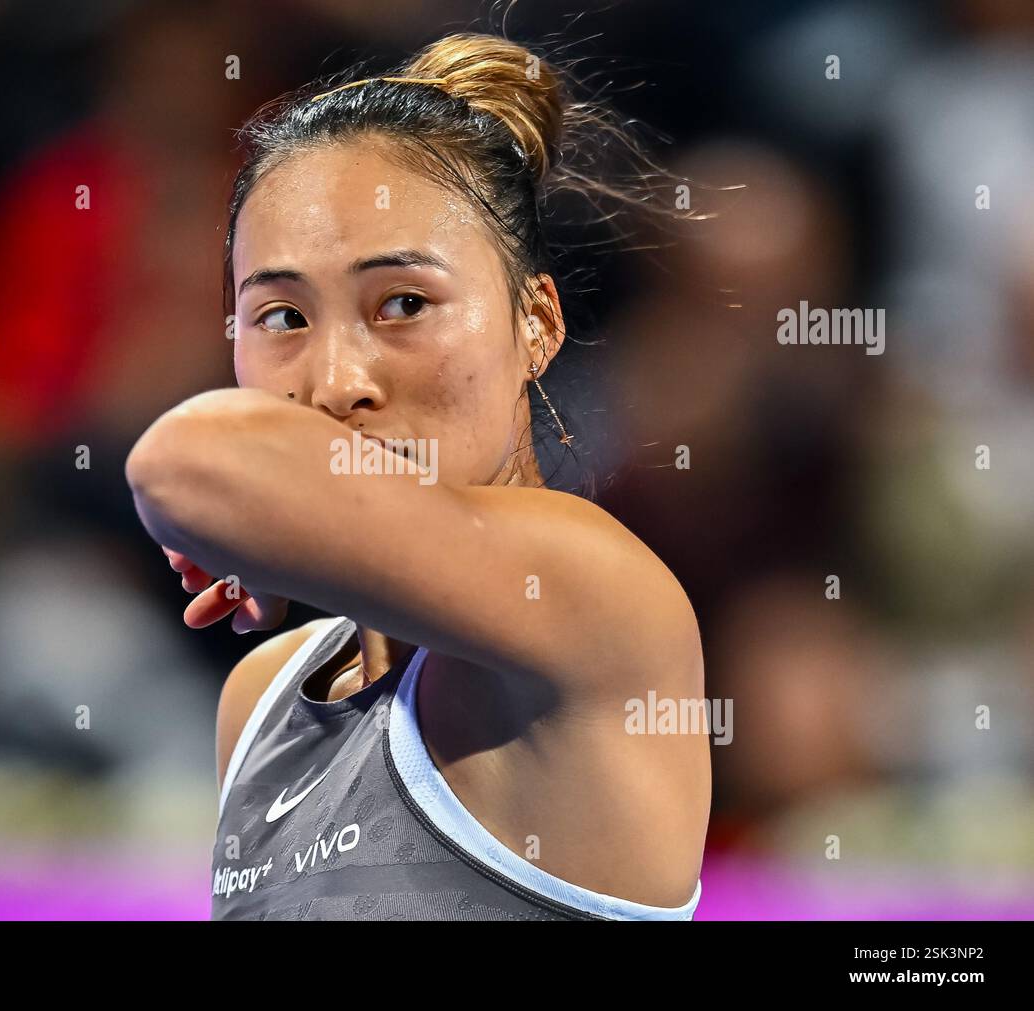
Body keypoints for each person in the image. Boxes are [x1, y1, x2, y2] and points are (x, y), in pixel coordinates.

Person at [126, 32, 710, 920]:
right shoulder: (261, 697)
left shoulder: (592, 591)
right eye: (281, 316)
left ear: (536, 323)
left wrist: (261, 518)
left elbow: (180, 461)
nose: (336, 383)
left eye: (402, 304)